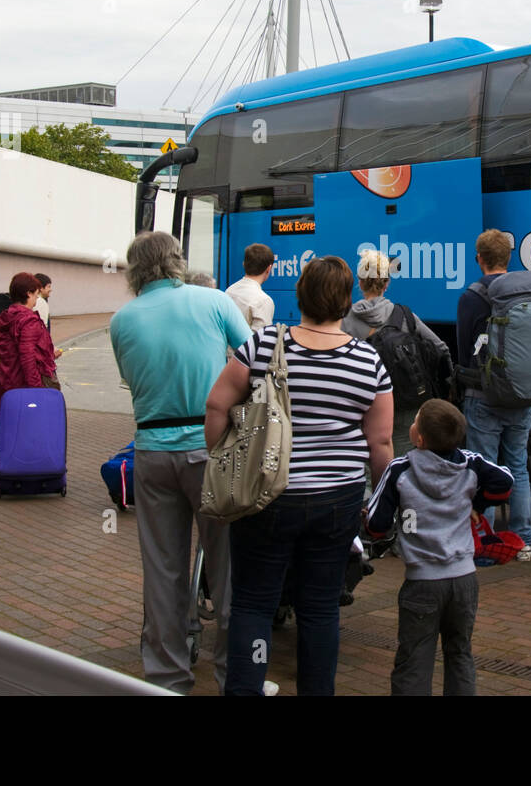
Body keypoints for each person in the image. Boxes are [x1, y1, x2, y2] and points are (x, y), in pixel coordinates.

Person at [206, 255, 394, 696]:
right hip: (337, 500)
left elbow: (217, 406)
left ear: (301, 294)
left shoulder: (263, 345)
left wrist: (223, 458)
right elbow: (380, 444)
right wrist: (382, 501)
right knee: (321, 608)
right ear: (345, 301)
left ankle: (246, 686)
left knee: (253, 602)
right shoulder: (368, 361)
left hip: (266, 495)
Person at [109, 231, 253, 695]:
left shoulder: (121, 320)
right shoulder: (212, 301)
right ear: (177, 261)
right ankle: (236, 676)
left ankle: (168, 677)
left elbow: (132, 381)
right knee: (229, 569)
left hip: (151, 451)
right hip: (212, 447)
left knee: (162, 569)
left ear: (134, 270)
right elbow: (256, 359)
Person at [365, 399, 513, 696]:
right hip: (464, 578)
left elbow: (375, 523)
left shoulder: (400, 469)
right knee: (459, 653)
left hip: (422, 581)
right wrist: (476, 503)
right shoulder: (470, 464)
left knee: (414, 657)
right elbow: (505, 482)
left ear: (418, 437)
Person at [455, 229, 531, 561]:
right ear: (508, 258)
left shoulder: (472, 296)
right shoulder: (525, 293)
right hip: (521, 392)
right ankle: (523, 538)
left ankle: (485, 546)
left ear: (479, 259)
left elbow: (463, 352)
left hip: (483, 395)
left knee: (482, 468)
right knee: (517, 465)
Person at [342, 248, 450, 456]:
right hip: (404, 403)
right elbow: (441, 348)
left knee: (368, 471)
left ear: (360, 282)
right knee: (402, 466)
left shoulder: (345, 320)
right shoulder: (404, 315)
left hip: (365, 407)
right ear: (387, 283)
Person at [0, 272, 59, 415]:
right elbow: (28, 359)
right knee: (29, 432)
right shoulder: (29, 321)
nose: (36, 299)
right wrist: (36, 392)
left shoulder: (4, 317)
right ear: (28, 294)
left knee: (7, 431)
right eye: (35, 295)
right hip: (23, 387)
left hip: (3, 383)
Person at [225, 243, 275, 331]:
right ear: (269, 269)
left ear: (244, 264)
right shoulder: (263, 300)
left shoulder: (229, 291)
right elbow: (261, 340)